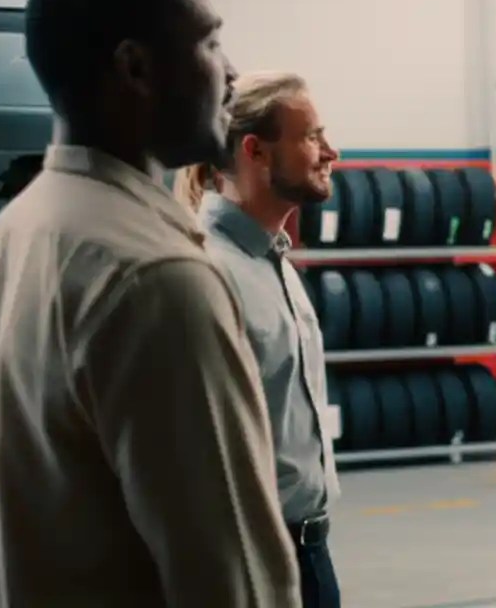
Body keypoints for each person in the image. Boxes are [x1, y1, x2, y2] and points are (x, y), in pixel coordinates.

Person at [0, 0, 301, 607]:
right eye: (208, 44)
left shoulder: (12, 237)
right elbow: (233, 583)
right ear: (136, 68)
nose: (229, 73)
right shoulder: (154, 276)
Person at [174, 71, 343, 608]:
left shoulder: (275, 262)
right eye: (312, 136)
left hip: (308, 553)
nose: (330, 151)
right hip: (246, 564)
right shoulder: (205, 271)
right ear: (257, 152)